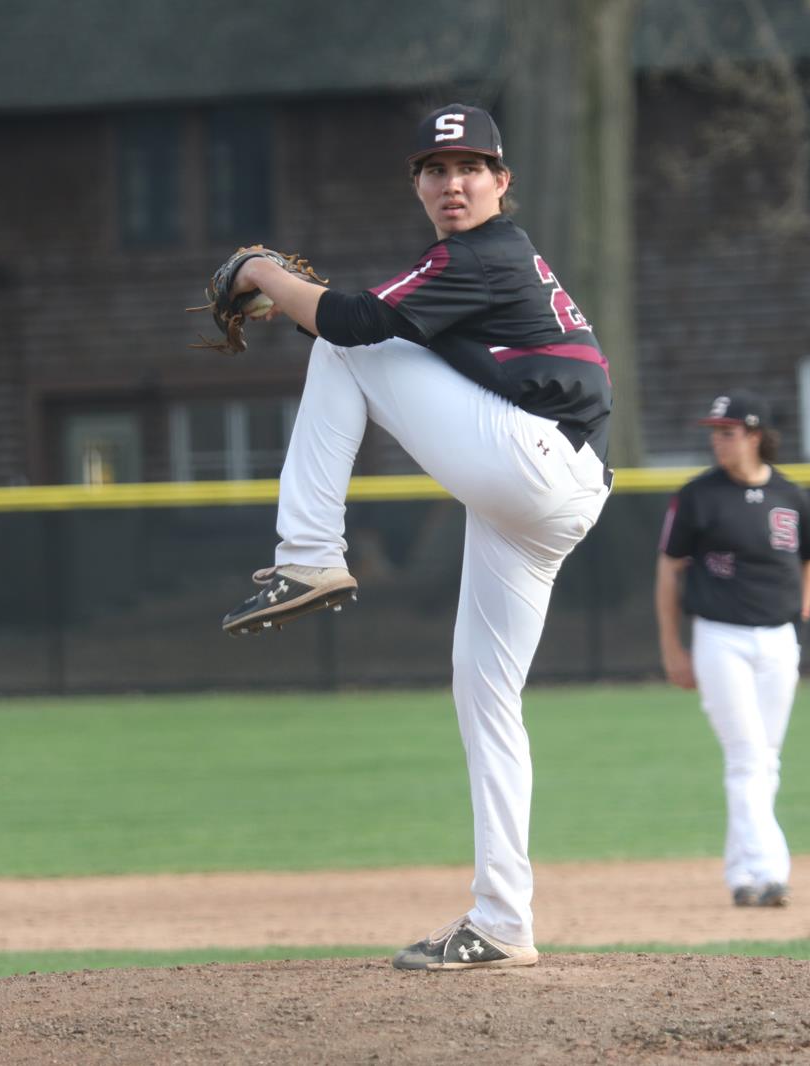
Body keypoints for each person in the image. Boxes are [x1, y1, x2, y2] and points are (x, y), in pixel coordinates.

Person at [219, 104, 613, 970]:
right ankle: (503, 921)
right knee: (485, 698)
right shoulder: (469, 263)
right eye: (436, 170)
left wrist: (260, 269)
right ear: (418, 184)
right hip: (545, 492)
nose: (453, 182)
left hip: (536, 467)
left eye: (472, 167)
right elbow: (381, 317)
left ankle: (309, 556)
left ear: (502, 182)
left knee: (341, 347)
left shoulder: (485, 252)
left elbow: (350, 320)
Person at [654, 391, 810, 908]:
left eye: (727, 431)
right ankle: (771, 871)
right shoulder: (699, 495)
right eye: (715, 432)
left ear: (754, 435)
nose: (718, 440)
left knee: (763, 761)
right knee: (749, 756)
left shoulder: (790, 494)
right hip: (720, 637)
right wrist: (672, 647)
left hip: (777, 638)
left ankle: (742, 876)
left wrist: (802, 616)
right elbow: (668, 569)